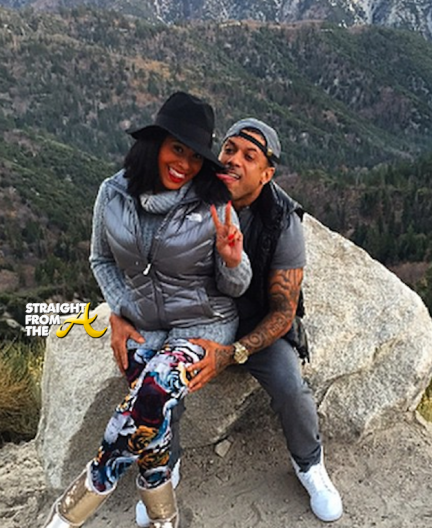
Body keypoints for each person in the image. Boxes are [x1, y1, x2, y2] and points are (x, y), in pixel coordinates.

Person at [42, 92, 252, 528]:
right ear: (154, 144)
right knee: (148, 418)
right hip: (144, 326)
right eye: (177, 149)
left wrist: (233, 260)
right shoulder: (113, 194)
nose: (185, 165)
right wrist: (120, 309)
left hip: (203, 324)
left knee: (153, 393)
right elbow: (100, 260)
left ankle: (81, 499)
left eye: (195, 156)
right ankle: (164, 516)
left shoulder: (213, 203)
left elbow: (236, 286)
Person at [123, 118, 343, 525]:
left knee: (291, 387)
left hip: (252, 323)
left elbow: (283, 312)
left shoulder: (281, 220)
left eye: (249, 155)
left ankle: (309, 463)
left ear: (267, 173)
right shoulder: (189, 191)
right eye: (229, 149)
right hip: (191, 319)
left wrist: (233, 352)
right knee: (160, 380)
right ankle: (164, 467)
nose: (233, 160)